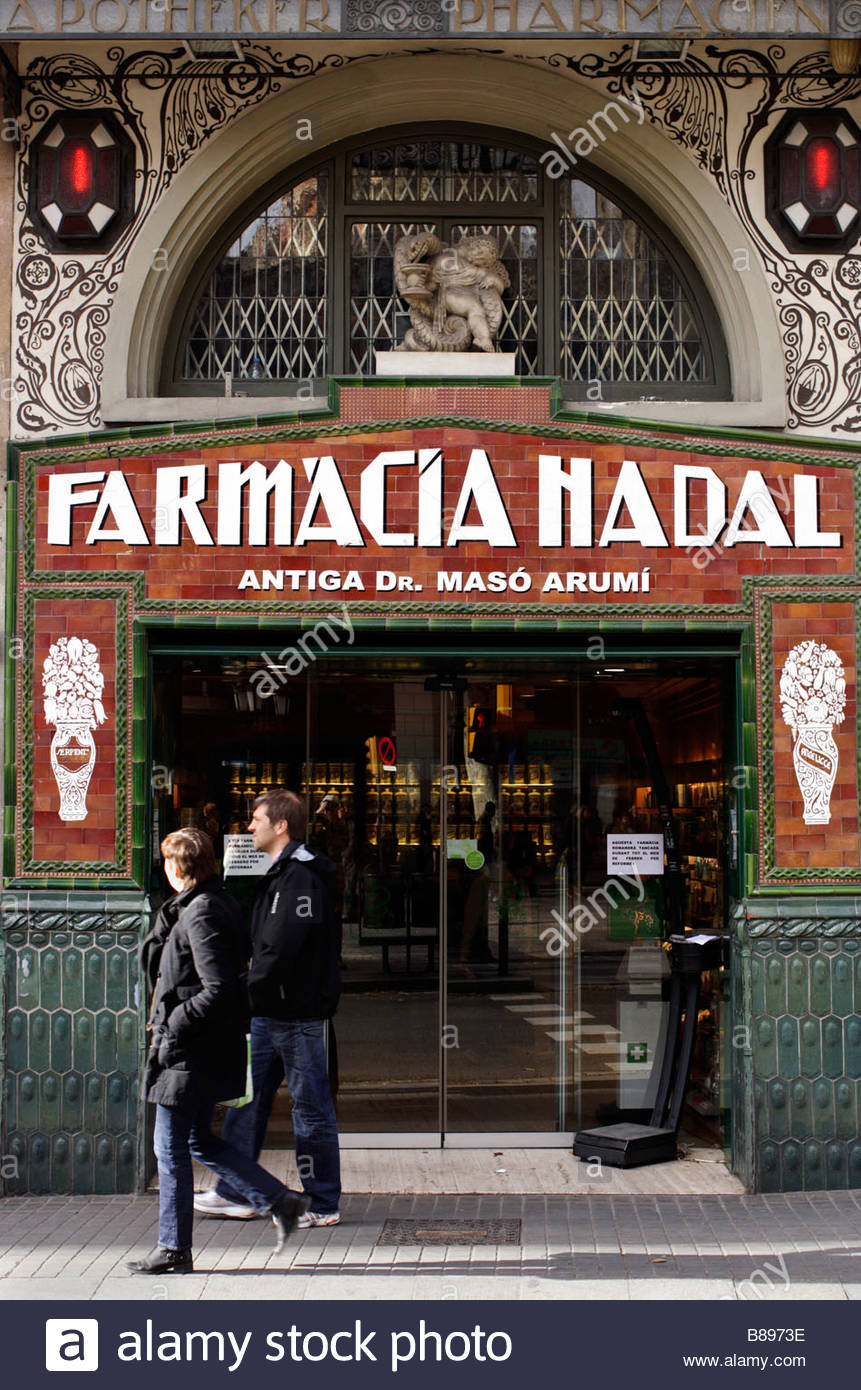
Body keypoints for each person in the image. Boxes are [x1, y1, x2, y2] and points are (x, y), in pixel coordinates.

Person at [128, 829, 309, 1276]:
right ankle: (279, 1202)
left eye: (168, 862)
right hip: (202, 1049)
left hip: (191, 1052)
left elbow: (219, 989)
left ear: (175, 868)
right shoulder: (206, 904)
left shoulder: (202, 912)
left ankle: (173, 1247)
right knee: (195, 1140)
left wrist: (174, 1022)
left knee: (167, 1148)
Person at [194, 790, 342, 1228]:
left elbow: (280, 952)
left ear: (281, 826)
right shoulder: (283, 875)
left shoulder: (300, 878)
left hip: (294, 1015)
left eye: (256, 819)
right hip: (270, 1012)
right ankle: (237, 1191)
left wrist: (243, 991)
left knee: (310, 1108)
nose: (249, 826)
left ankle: (322, 1202)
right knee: (247, 1100)